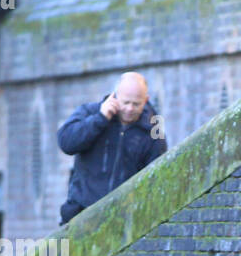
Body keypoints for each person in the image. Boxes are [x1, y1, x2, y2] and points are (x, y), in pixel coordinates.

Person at [57, 72, 166, 223]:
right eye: (125, 102)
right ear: (115, 97)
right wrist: (100, 119)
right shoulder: (90, 112)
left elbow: (157, 173)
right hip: (81, 214)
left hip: (124, 219)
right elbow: (66, 143)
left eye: (136, 104)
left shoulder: (154, 128)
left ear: (146, 100)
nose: (129, 109)